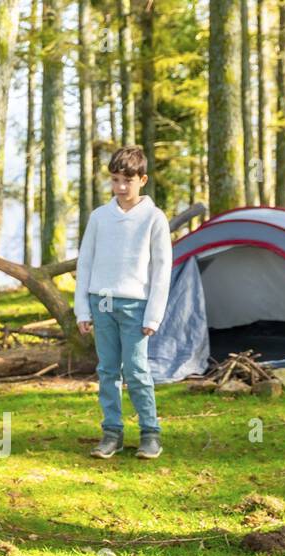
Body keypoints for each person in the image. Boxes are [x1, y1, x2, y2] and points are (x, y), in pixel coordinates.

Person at [74, 146, 172, 460]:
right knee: (107, 370)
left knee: (137, 370)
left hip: (136, 306)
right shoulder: (100, 217)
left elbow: (161, 269)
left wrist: (153, 315)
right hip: (100, 302)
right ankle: (111, 433)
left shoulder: (154, 219)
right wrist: (82, 309)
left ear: (142, 179)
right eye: (115, 180)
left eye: (127, 180)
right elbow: (85, 263)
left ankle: (150, 433)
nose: (120, 187)